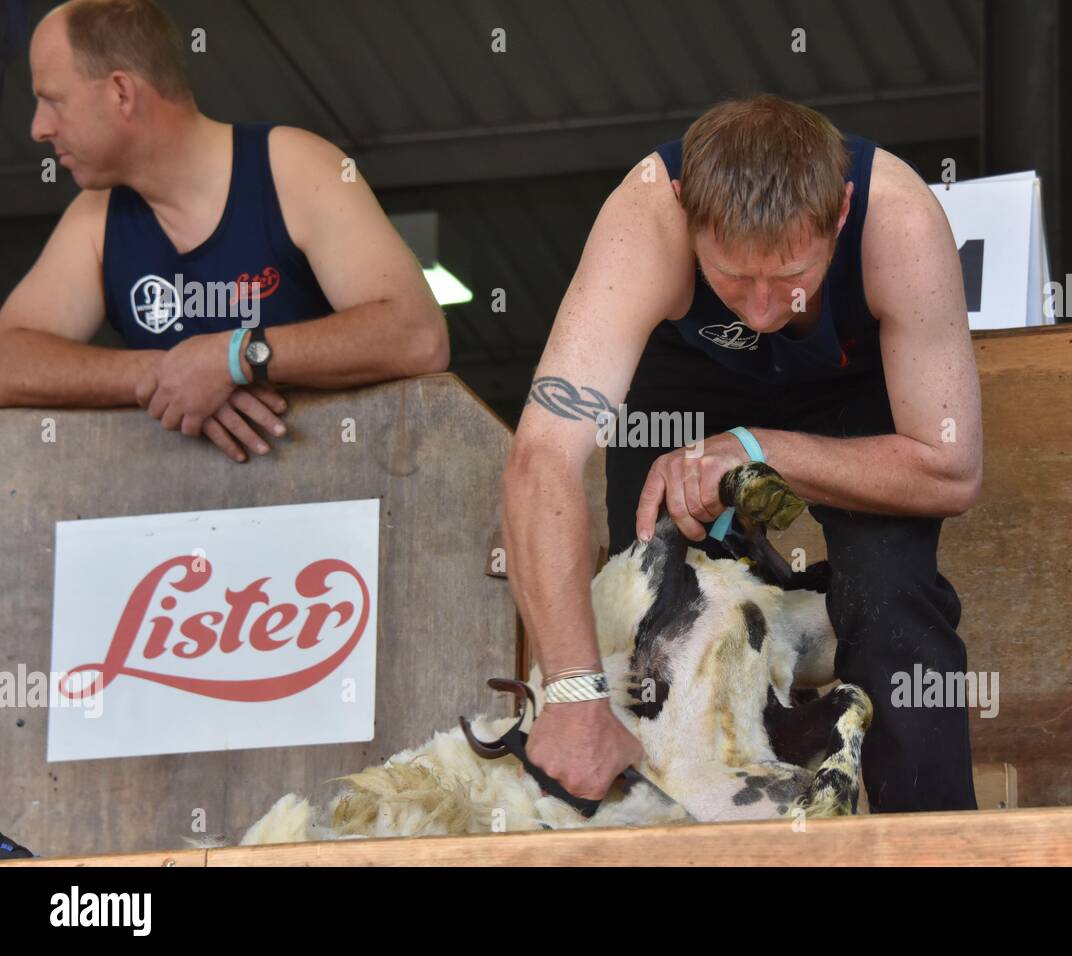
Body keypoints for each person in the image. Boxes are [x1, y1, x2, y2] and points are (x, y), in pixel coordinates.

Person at [502, 94, 983, 814]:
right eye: (733, 277)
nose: (762, 310)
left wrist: (760, 449)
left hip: (854, 391)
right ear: (684, 210)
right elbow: (541, 458)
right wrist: (571, 692)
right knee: (657, 600)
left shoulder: (900, 221)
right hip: (692, 380)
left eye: (792, 276)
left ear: (842, 212)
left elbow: (951, 470)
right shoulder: (645, 218)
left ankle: (938, 846)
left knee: (890, 599)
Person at [0, 0, 449, 462]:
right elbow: (7, 361)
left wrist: (237, 357)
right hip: (192, 520)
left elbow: (417, 335)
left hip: (344, 498)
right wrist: (169, 371)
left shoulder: (295, 167)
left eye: (52, 100)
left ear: (120, 92)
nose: (38, 128)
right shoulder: (96, 217)